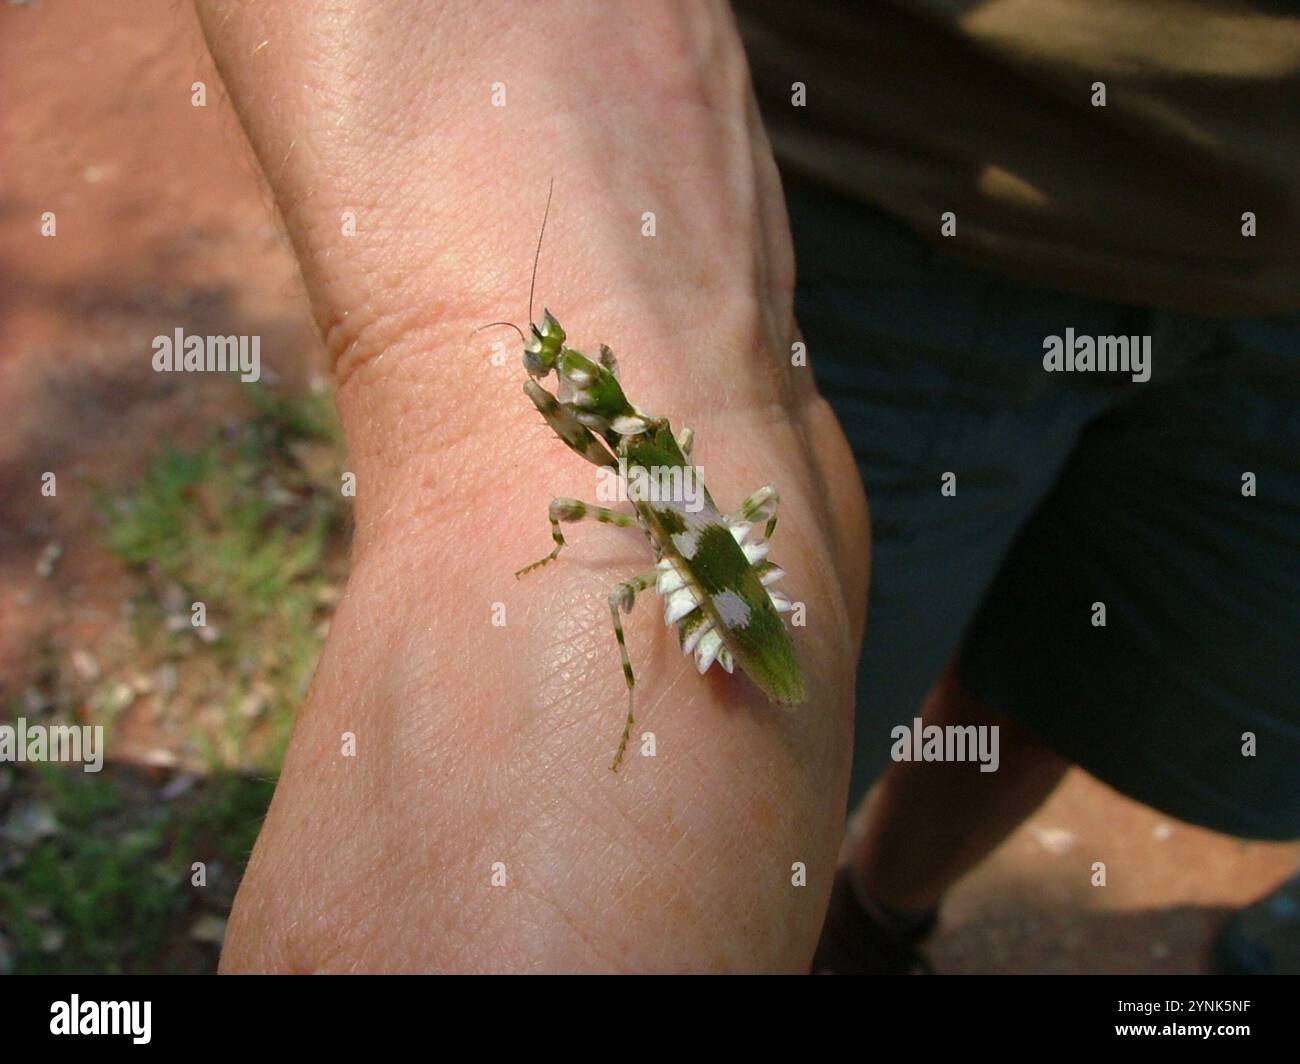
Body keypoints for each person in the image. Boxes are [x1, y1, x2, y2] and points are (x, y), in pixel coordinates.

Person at [198, 0, 1298, 973]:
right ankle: (853, 898)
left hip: (725, 564)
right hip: (885, 189)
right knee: (829, 688)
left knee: (1016, 658)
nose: (547, 368)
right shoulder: (638, 430)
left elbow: (589, 457)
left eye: (550, 361)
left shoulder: (619, 447)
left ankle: (858, 900)